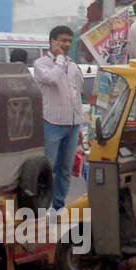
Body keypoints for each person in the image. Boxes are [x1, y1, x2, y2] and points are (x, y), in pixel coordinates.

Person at [32, 26, 84, 212]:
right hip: (52, 123)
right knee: (48, 169)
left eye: (69, 41)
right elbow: (52, 79)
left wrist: (80, 126)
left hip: (72, 125)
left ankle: (58, 207)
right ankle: (41, 209)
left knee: (65, 170)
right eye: (62, 40)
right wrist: (59, 58)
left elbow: (77, 95)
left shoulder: (72, 66)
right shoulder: (41, 64)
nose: (66, 44)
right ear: (52, 41)